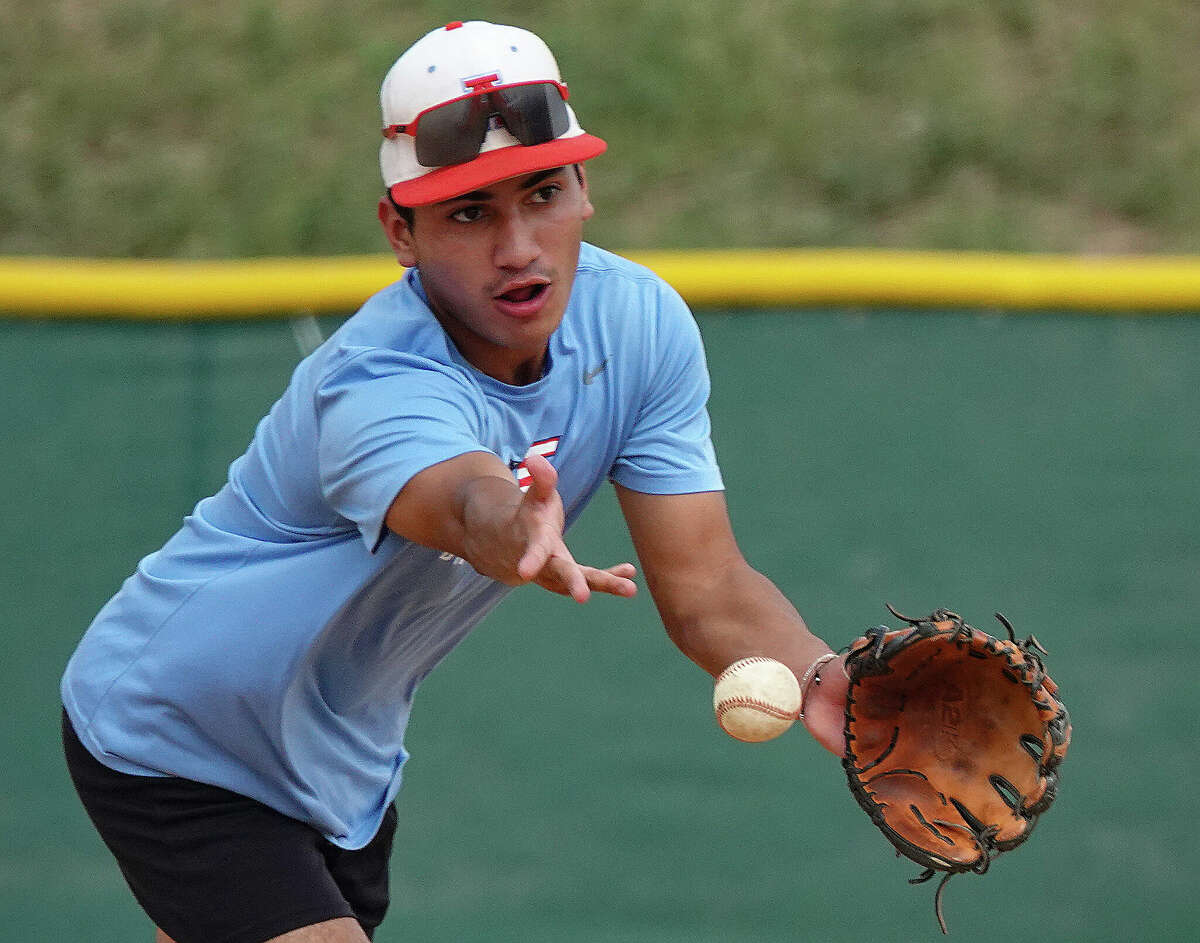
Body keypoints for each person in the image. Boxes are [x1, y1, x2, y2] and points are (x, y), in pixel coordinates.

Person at [61, 20, 849, 943]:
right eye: (470, 212)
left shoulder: (640, 328)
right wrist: (514, 527)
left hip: (341, 762)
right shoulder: (374, 380)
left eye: (544, 192)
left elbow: (708, 588)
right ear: (400, 229)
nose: (520, 246)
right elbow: (463, 500)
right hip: (183, 726)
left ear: (585, 190)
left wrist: (826, 675)